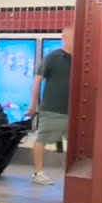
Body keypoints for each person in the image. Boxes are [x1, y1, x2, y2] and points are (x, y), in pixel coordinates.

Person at [25, 25, 73, 186]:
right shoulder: (53, 57)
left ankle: (72, 172)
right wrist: (33, 105)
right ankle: (38, 172)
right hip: (52, 109)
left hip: (73, 110)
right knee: (42, 138)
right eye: (73, 37)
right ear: (64, 38)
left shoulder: (82, 58)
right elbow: (37, 80)